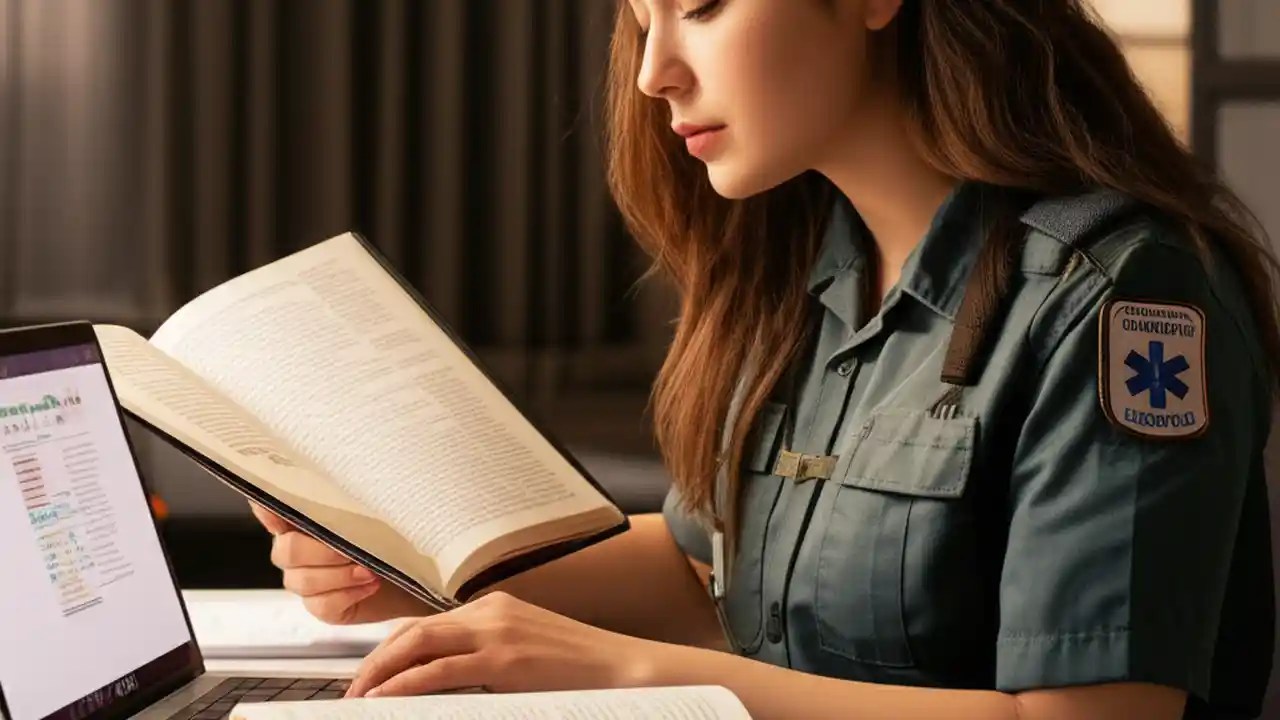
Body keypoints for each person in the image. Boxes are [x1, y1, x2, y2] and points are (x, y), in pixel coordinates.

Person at [250, 1, 1279, 717]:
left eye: (700, 6)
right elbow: (715, 567)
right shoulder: (794, 278)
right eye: (641, 19)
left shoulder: (1120, 297)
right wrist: (428, 580)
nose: (654, 72)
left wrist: (627, 677)